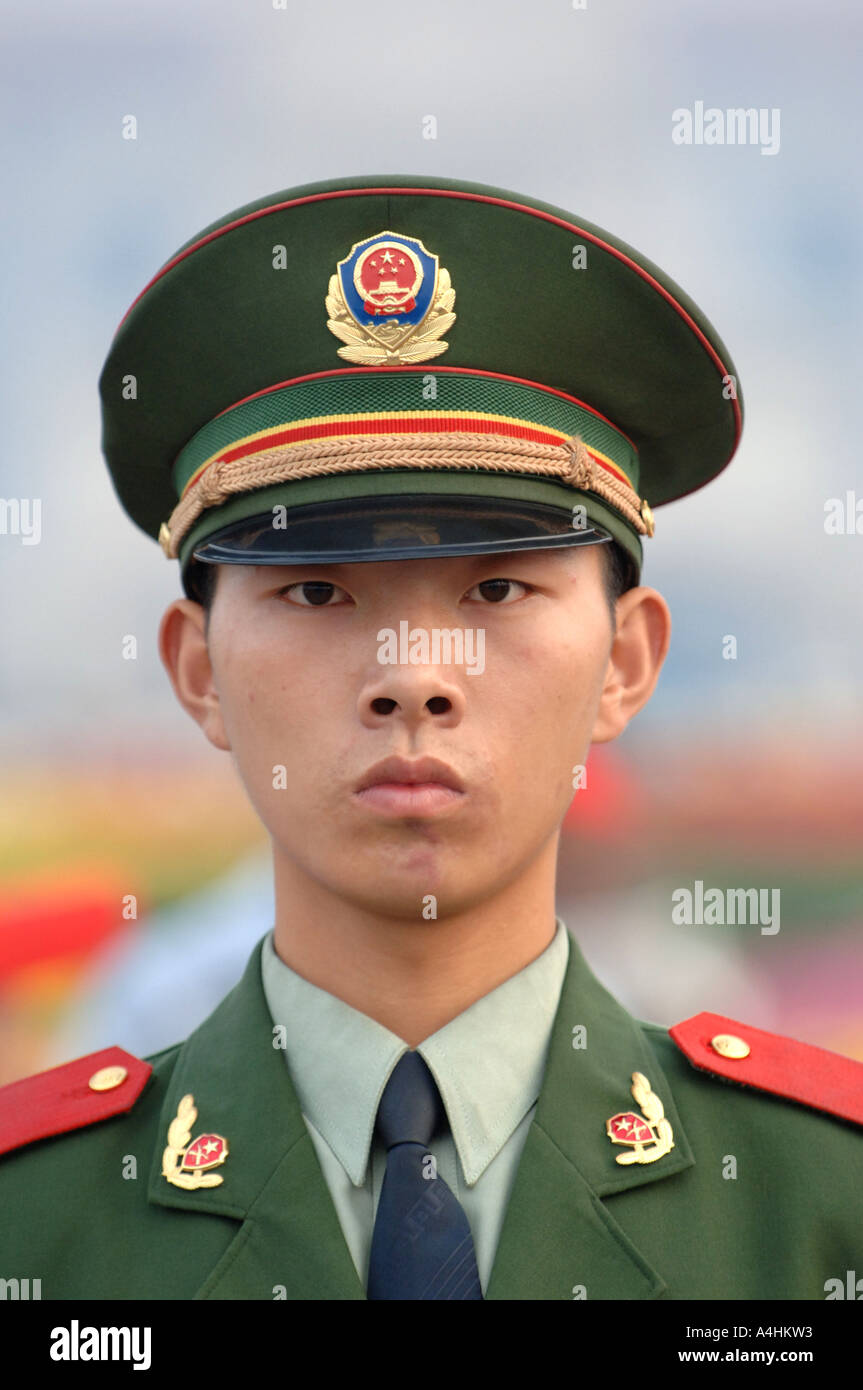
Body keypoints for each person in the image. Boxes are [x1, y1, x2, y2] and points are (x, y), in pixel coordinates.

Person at [0, 174, 860, 1302]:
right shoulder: (31, 1226)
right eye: (316, 593)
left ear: (625, 660)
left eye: (496, 589)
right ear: (198, 670)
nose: (412, 674)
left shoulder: (819, 1208)